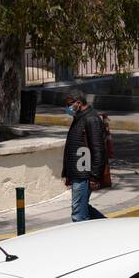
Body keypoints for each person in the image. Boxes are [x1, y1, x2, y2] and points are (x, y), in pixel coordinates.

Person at [61, 87, 108, 222]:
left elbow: (98, 150)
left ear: (78, 103)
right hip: (78, 173)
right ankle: (109, 226)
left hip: (84, 175)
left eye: (70, 104)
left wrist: (94, 177)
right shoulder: (79, 118)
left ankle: (82, 240)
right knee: (82, 208)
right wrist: (66, 173)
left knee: (78, 214)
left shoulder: (91, 119)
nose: (68, 107)